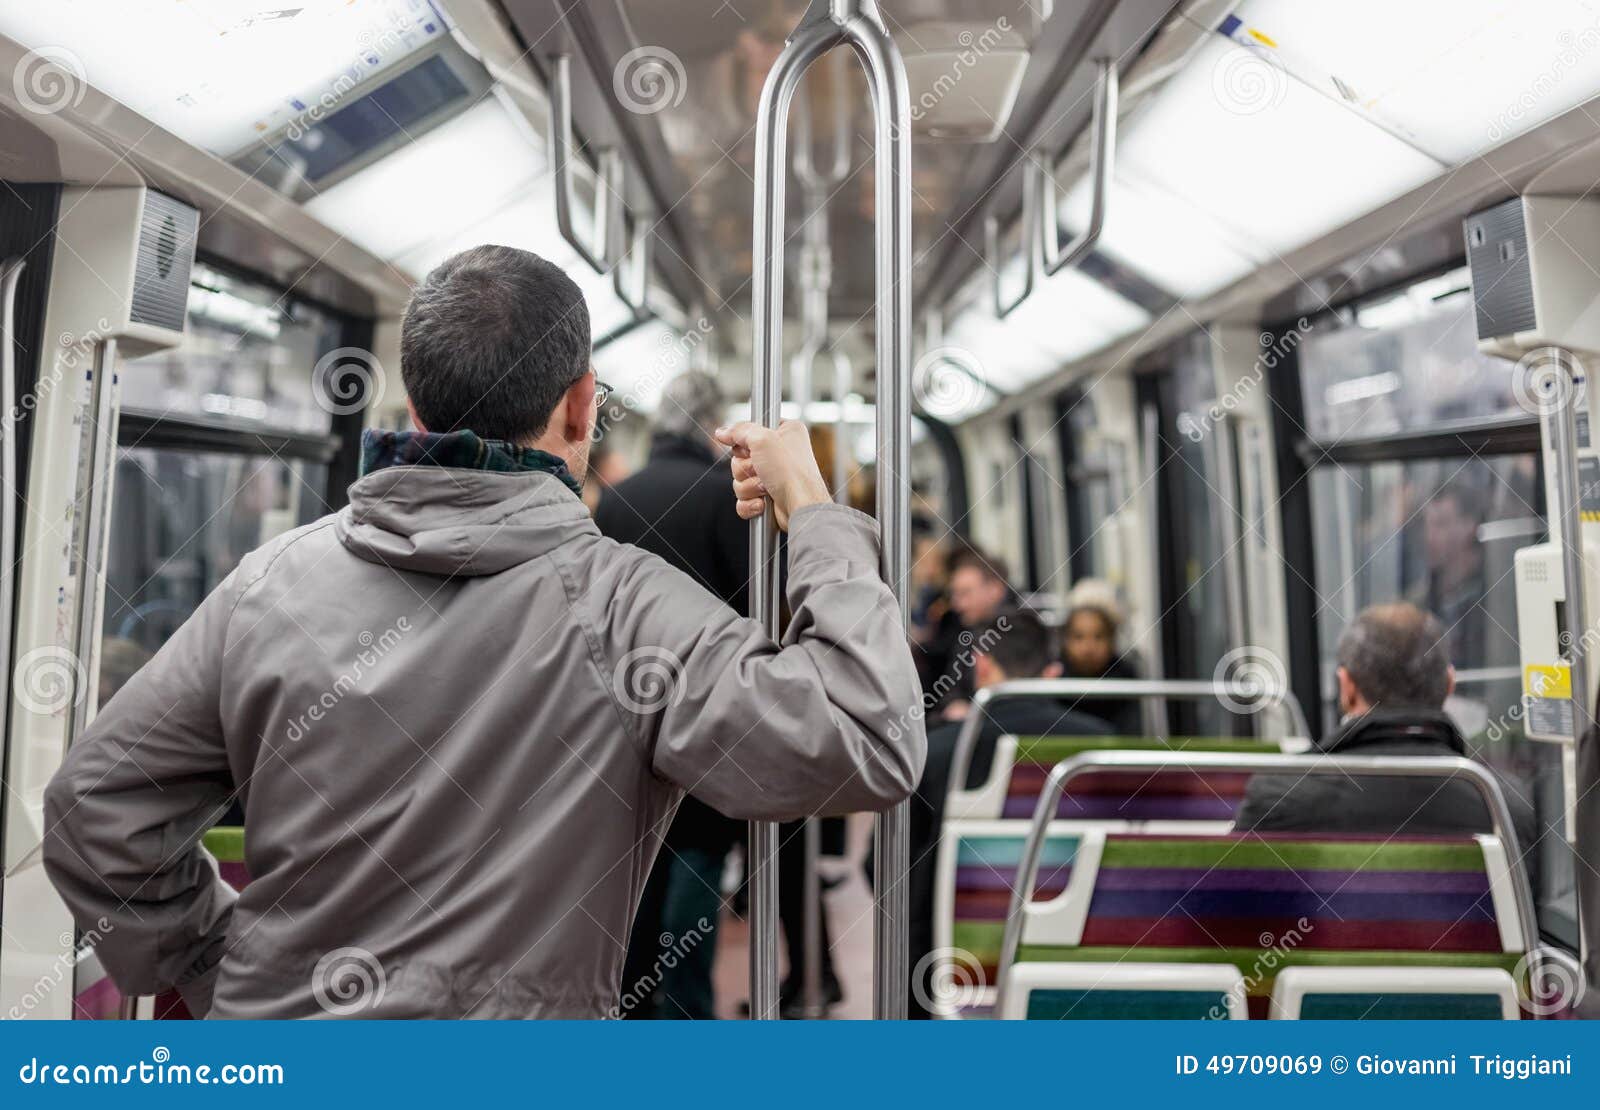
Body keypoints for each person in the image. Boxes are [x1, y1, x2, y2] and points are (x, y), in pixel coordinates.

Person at [42, 244, 926, 1020]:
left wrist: (213, 967)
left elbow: (97, 809)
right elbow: (867, 734)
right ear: (582, 408)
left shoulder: (269, 585)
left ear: (416, 400)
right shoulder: (625, 610)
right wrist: (815, 510)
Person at [593, 369, 748, 1019]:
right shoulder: (728, 500)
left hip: (624, 731)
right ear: (714, 425)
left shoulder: (616, 500)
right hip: (709, 730)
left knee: (631, 904)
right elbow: (752, 616)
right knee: (692, 903)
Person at [906, 606, 1109, 1017]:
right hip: (1081, 958)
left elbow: (887, 869)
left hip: (950, 965)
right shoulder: (1100, 749)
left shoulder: (938, 753)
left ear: (980, 666)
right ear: (1051, 673)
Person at [1234, 602, 1535, 849]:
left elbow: (1226, 913)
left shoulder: (1278, 797)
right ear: (1449, 685)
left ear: (1347, 687)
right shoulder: (1505, 805)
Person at [927, 547, 1013, 719]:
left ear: (995, 590)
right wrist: (955, 703)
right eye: (955, 595)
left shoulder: (1025, 632)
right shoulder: (966, 634)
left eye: (965, 593)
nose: (957, 605)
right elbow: (951, 688)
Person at [1057, 579, 1142, 735]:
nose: (1088, 648)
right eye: (1078, 637)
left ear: (1112, 641)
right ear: (1065, 641)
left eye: (1098, 637)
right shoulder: (1051, 679)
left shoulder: (1126, 678)